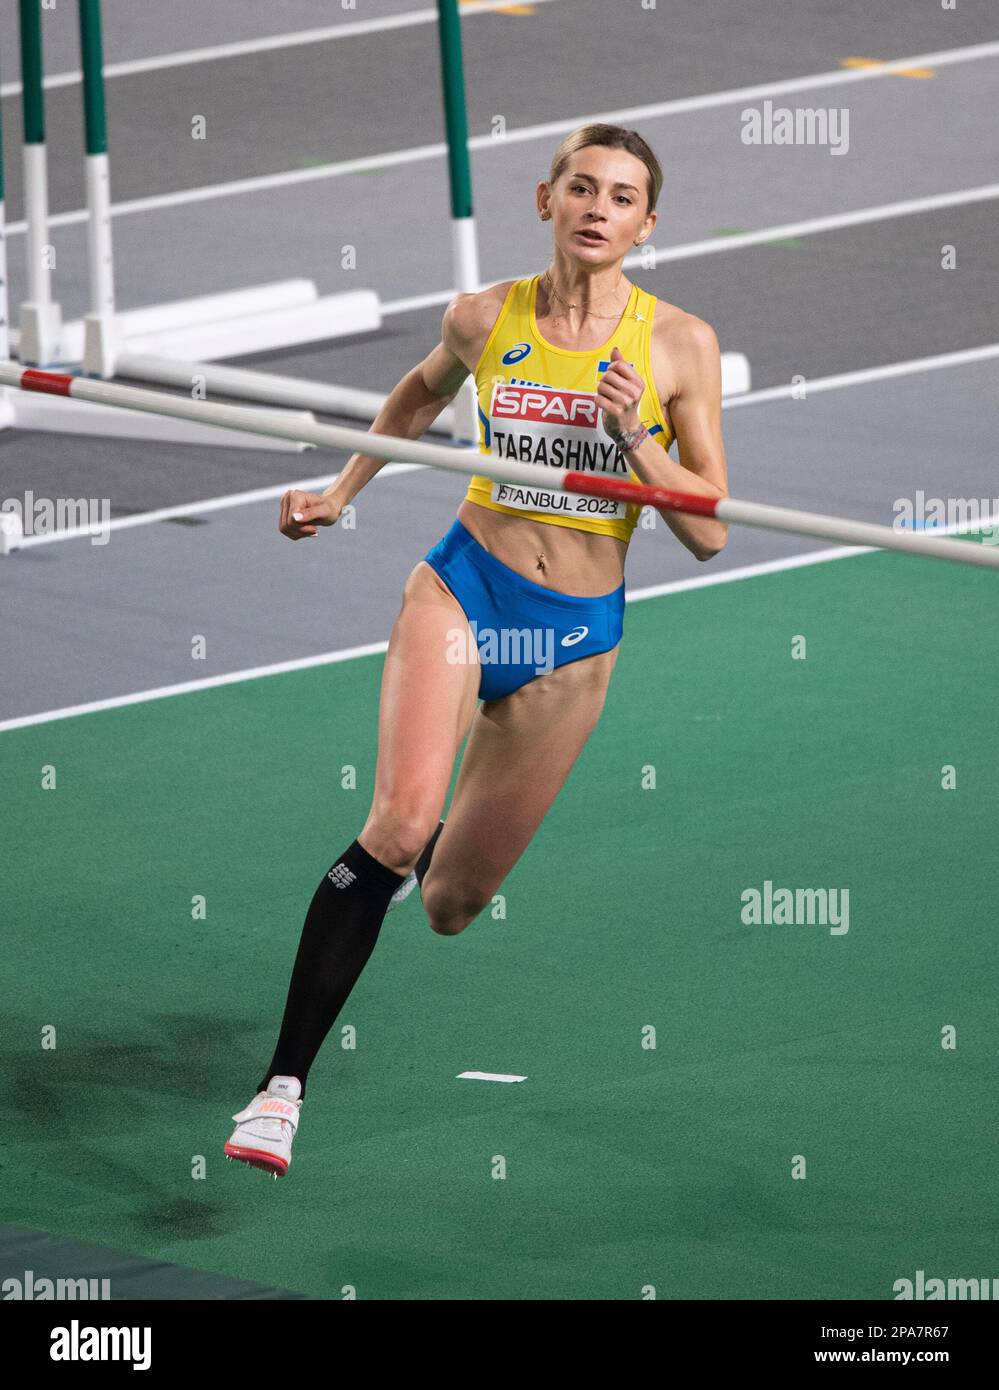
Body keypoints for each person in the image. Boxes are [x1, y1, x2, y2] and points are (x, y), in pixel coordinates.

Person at [224, 122, 729, 1177]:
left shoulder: (678, 345)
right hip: (464, 589)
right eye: (580, 187)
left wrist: (640, 439)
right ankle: (280, 1092)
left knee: (450, 903)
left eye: (623, 196)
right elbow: (418, 395)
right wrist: (339, 491)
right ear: (544, 199)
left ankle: (418, 865)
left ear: (647, 224)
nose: (598, 207)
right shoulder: (482, 316)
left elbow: (709, 528)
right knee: (398, 824)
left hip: (575, 640)